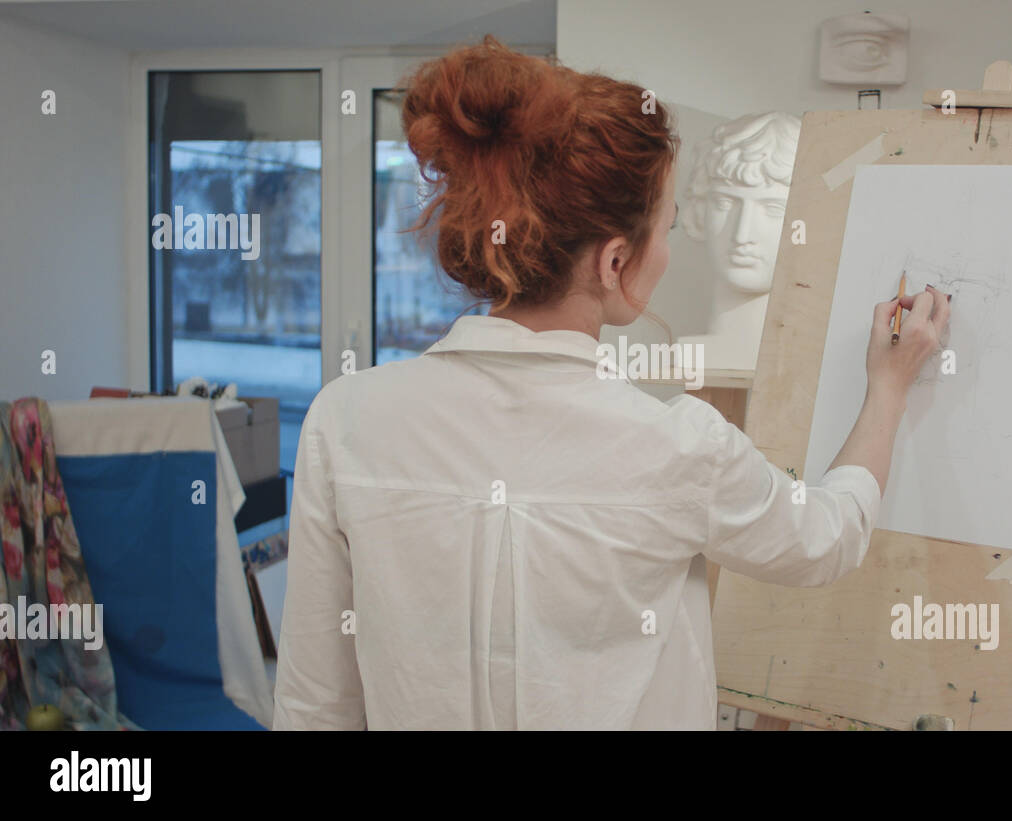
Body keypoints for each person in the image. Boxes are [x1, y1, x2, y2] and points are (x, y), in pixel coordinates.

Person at [271, 35, 950, 731]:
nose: (669, 247)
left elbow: (314, 704)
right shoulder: (672, 446)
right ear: (615, 259)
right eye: (668, 227)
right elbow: (827, 536)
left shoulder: (344, 419)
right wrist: (890, 385)